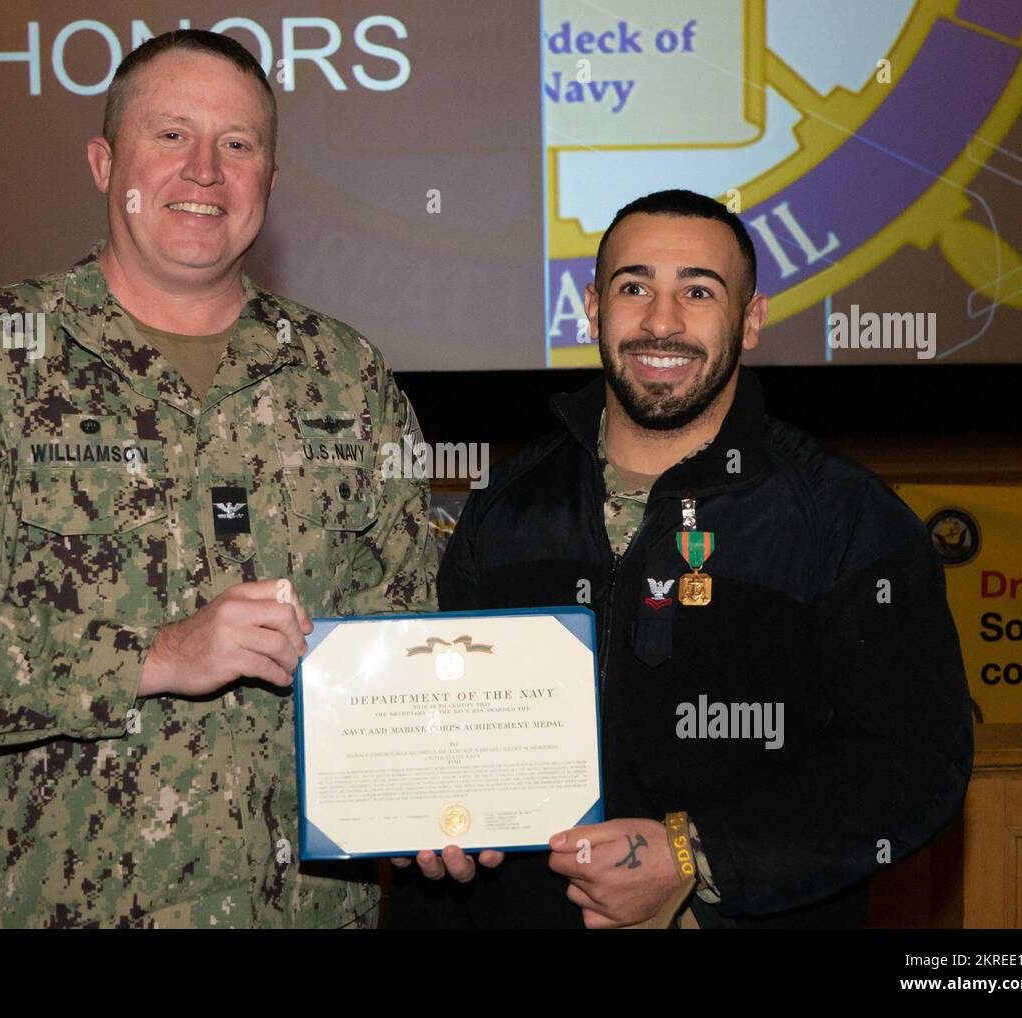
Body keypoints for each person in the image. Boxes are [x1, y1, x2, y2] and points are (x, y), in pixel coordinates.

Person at [0, 30, 436, 928]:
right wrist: (154, 657)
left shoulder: (347, 377)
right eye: (170, 136)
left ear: (268, 181)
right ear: (103, 160)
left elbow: (404, 634)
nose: (204, 172)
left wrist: (441, 793)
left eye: (237, 145)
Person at [388, 189, 972, 929]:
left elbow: (914, 765)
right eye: (635, 288)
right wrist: (433, 817)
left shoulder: (845, 518)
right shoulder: (505, 507)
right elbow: (448, 731)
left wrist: (694, 856)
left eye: (698, 290)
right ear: (594, 311)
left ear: (751, 319)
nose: (661, 322)